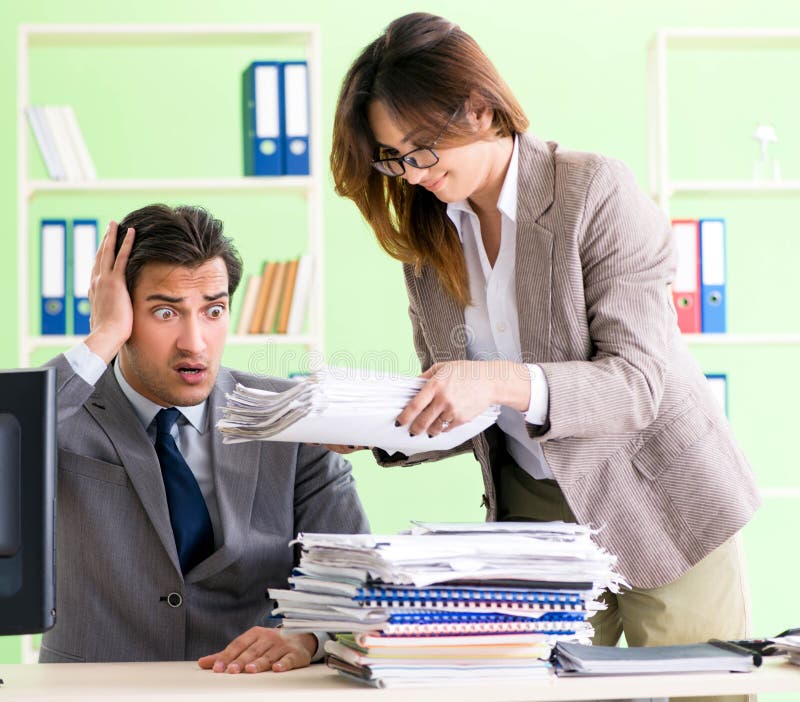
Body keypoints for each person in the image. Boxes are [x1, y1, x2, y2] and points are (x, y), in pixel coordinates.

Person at [330, 10, 760, 689]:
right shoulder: (429, 243)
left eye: (419, 149)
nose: (409, 174)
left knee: (703, 690)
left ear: (479, 107)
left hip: (661, 498)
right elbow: (465, 402)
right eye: (394, 158)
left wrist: (499, 380)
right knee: (526, 689)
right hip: (535, 512)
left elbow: (637, 383)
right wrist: (371, 427)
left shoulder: (594, 192)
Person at [41, 204, 369, 672]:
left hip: (249, 686)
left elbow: (354, 567)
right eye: (165, 312)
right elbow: (9, 438)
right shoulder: (66, 408)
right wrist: (105, 334)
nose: (194, 342)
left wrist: (310, 634)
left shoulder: (291, 415)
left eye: (213, 310)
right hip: (93, 686)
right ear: (122, 310)